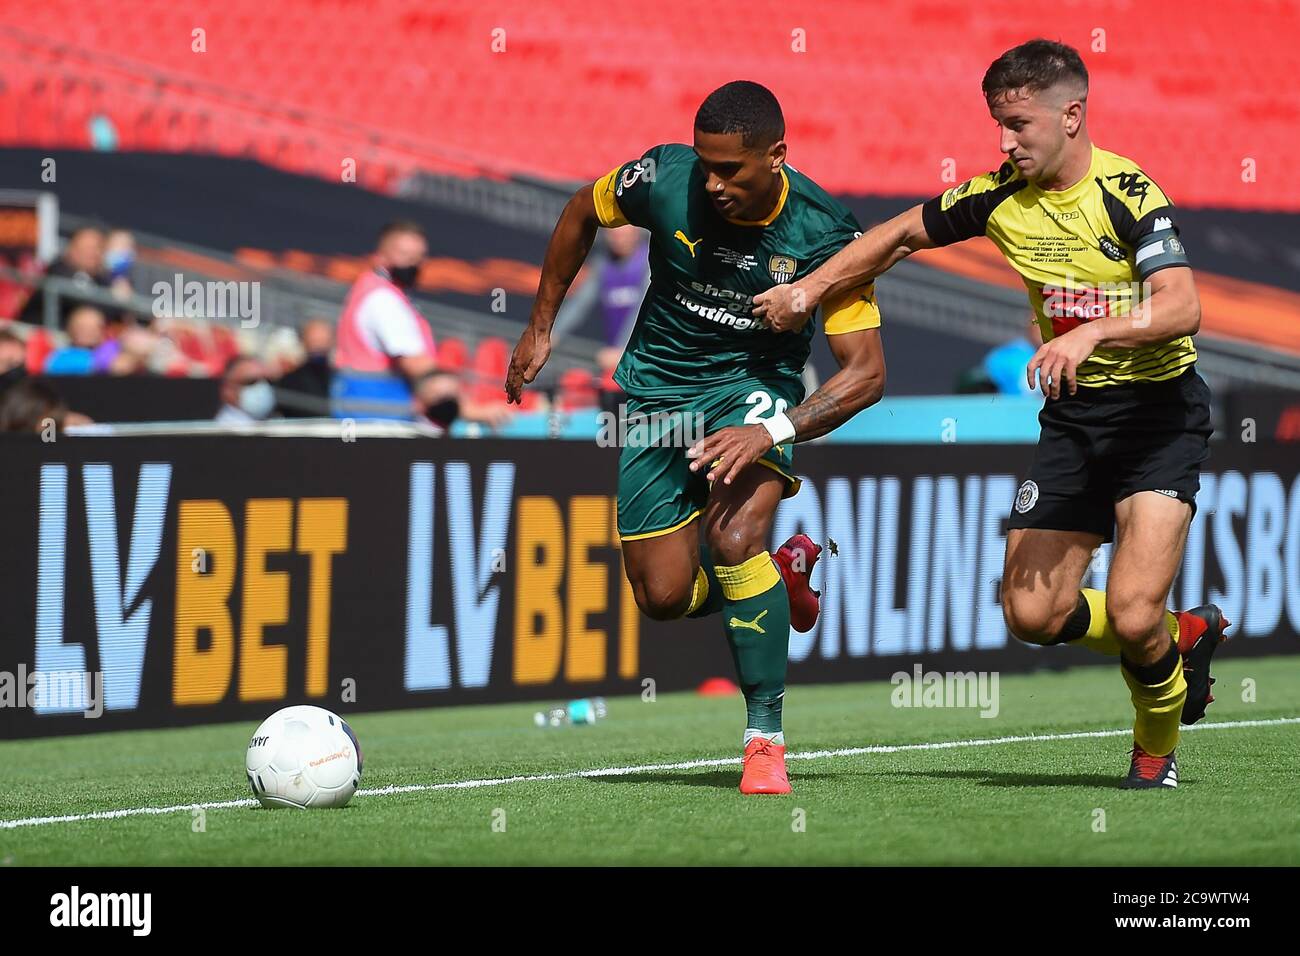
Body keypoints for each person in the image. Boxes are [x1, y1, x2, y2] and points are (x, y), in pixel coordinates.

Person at [753, 39, 1225, 789]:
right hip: (1076, 420)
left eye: (1019, 125)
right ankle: (1187, 635)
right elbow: (900, 234)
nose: (1005, 142)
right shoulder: (1000, 195)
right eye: (997, 125)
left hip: (1159, 418)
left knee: (1134, 617)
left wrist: (1095, 332)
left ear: (1071, 115)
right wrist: (810, 290)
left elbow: (1184, 305)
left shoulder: (1130, 193)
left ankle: (1154, 751)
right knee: (1032, 616)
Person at [506, 81, 886, 795]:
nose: (713, 184)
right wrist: (540, 324)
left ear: (776, 156)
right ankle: (785, 575)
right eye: (706, 166)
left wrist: (770, 426)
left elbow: (865, 375)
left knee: (735, 539)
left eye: (731, 170)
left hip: (754, 388)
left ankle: (764, 741)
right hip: (658, 390)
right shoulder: (663, 177)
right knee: (661, 594)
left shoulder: (827, 235)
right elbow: (579, 210)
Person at [333, 221, 509, 431]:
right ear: (381, 256)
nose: (414, 264)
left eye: (418, 257)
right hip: (379, 420)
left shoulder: (375, 290)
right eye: (405, 256)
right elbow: (418, 365)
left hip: (372, 416)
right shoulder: (383, 299)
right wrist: (472, 410)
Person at [18, 226, 109, 328]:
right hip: (39, 333)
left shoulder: (103, 280)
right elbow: (78, 300)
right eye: (87, 248)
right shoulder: (57, 271)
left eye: (98, 248)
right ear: (71, 248)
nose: (93, 254)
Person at [215, 354, 277, 424]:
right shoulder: (221, 430)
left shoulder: (279, 423)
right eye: (251, 382)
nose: (262, 387)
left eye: (268, 381)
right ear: (227, 390)